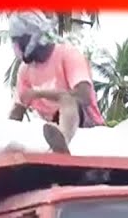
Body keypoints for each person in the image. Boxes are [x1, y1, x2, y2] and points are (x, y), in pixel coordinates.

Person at [6, 11, 106, 154]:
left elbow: (84, 95)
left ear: (33, 38)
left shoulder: (68, 54)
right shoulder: (25, 70)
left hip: (85, 122)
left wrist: (39, 93)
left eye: (20, 42)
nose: (17, 48)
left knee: (67, 99)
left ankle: (62, 142)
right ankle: (56, 139)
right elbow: (18, 108)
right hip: (54, 124)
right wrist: (5, 132)